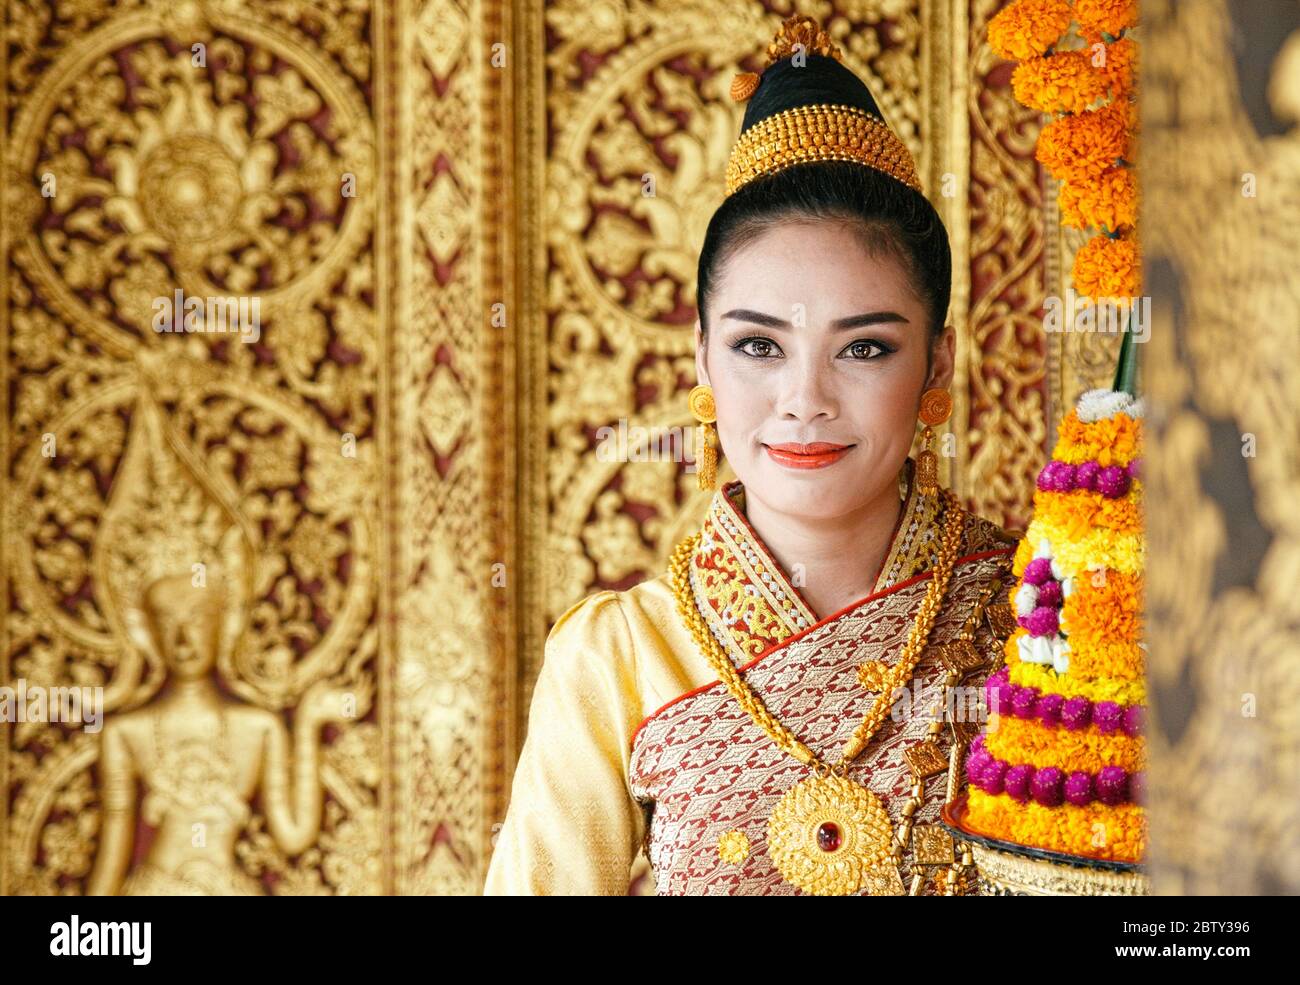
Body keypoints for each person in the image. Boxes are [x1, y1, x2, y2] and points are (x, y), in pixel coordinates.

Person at [484, 14, 1021, 896]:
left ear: (939, 360)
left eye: (865, 348)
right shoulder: (619, 660)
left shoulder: (1037, 615)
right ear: (701, 356)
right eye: (759, 346)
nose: (804, 398)